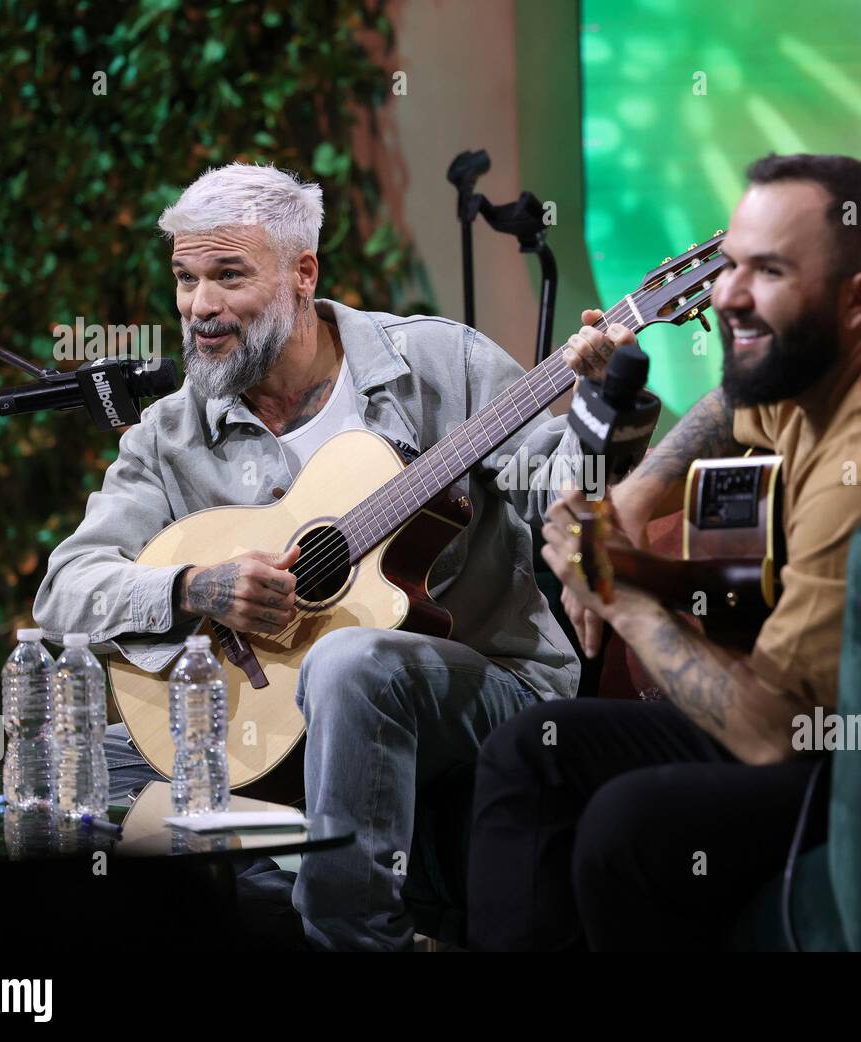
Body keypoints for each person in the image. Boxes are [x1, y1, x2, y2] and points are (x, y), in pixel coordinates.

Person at [466, 152, 861, 951]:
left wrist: (616, 590)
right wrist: (632, 499)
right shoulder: (847, 355)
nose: (727, 294)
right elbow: (734, 397)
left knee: (633, 828)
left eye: (768, 272)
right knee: (533, 749)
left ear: (860, 297)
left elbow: (772, 733)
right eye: (729, 264)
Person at [33, 162, 624, 950]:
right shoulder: (170, 434)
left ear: (302, 273)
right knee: (57, 770)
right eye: (184, 279)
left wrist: (611, 411)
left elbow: (562, 489)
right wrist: (195, 588)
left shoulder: (437, 365)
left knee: (347, 662)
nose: (199, 306)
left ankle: (357, 939)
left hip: (483, 677)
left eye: (227, 276)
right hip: (271, 711)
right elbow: (66, 588)